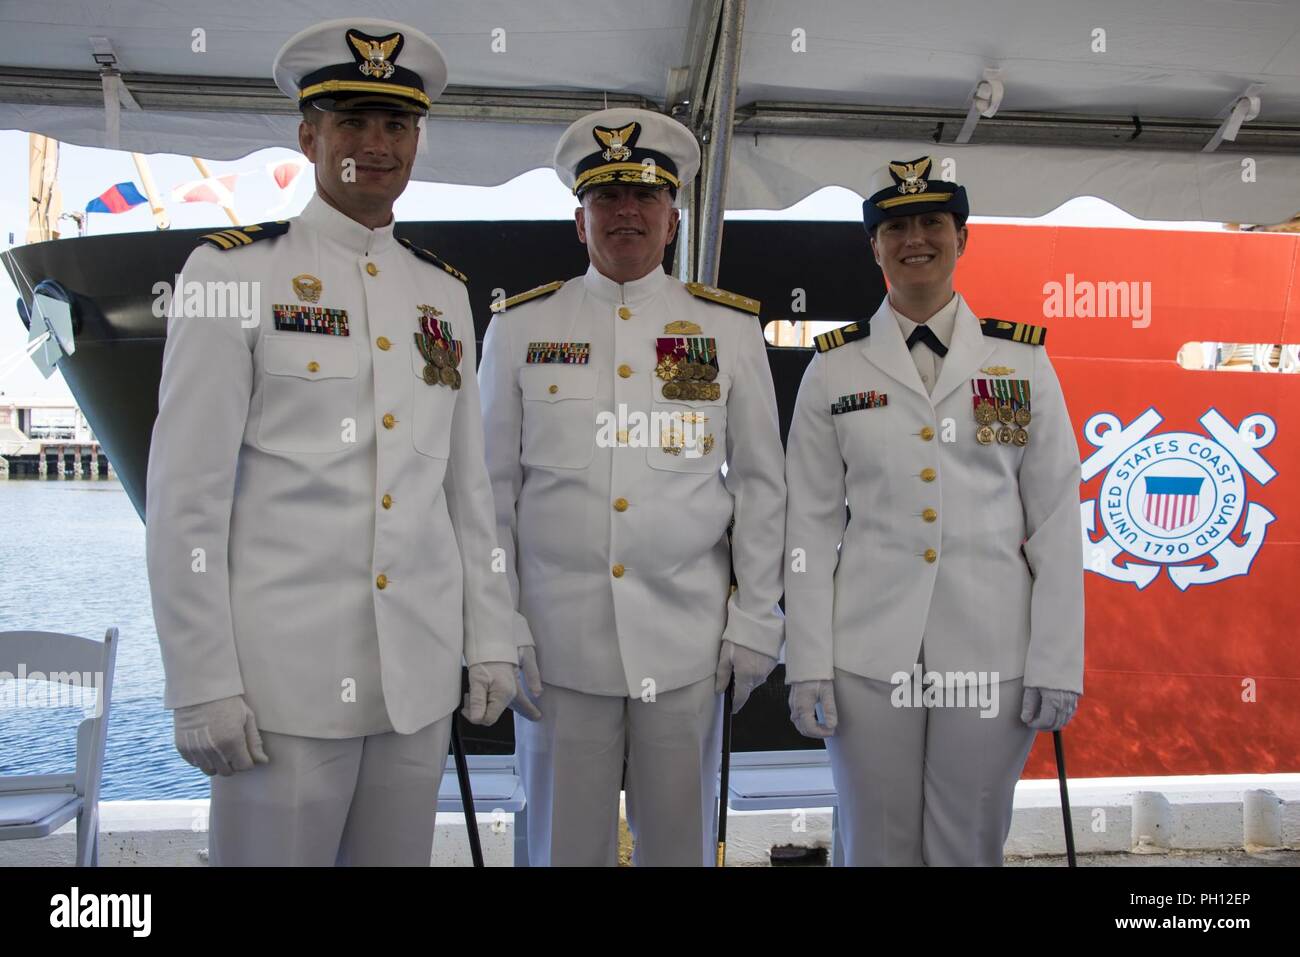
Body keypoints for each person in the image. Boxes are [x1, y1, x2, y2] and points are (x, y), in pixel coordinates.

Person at [145, 18, 518, 866]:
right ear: (308, 135)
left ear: (418, 139)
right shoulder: (231, 274)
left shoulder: (442, 294)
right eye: (353, 121)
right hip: (280, 689)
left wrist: (489, 633)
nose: (376, 145)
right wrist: (201, 681)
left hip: (413, 684)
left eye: (396, 125)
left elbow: (467, 494)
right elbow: (184, 498)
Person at [479, 108, 787, 866]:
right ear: (578, 222)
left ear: (673, 218)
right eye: (606, 198)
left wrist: (755, 619)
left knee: (678, 847)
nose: (626, 212)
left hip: (686, 643)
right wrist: (498, 624)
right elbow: (487, 493)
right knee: (561, 849)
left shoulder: (728, 331)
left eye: (645, 197)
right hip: (555, 645)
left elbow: (762, 485)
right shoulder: (520, 328)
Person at [783, 156, 1084, 866]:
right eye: (896, 227)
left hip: (991, 648)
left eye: (932, 222)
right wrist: (808, 661)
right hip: (866, 651)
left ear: (962, 237)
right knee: (874, 840)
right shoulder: (834, 367)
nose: (915, 237)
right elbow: (810, 526)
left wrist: (1057, 660)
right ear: (875, 245)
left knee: (968, 841)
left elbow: (1056, 521)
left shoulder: (1020, 364)